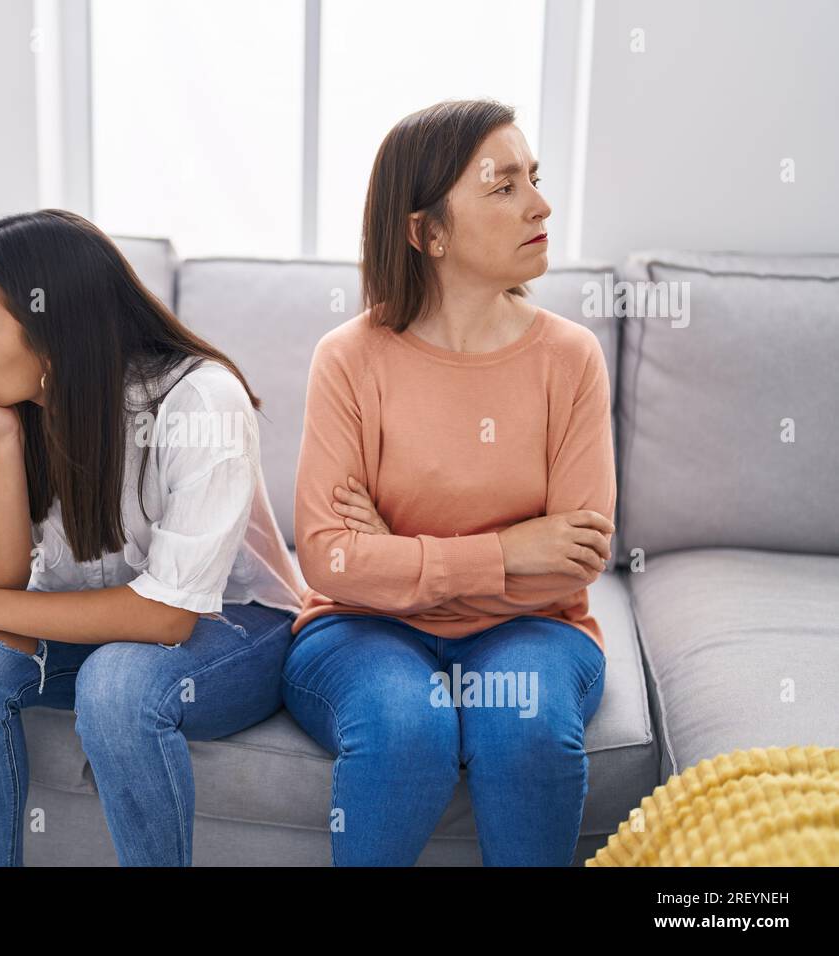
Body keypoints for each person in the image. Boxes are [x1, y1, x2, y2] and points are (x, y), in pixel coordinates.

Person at [0, 209, 304, 866]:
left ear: (53, 334)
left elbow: (169, 617)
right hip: (93, 622)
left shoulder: (200, 401)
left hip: (232, 625)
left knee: (115, 686)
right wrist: (3, 442)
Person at [283, 99, 616, 866]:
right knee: (405, 730)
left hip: (535, 631)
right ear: (425, 232)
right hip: (358, 630)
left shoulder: (570, 359)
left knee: (526, 726)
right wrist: (508, 551)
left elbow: (576, 556)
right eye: (503, 187)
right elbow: (330, 561)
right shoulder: (348, 358)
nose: (540, 203)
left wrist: (395, 557)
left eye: (534, 178)